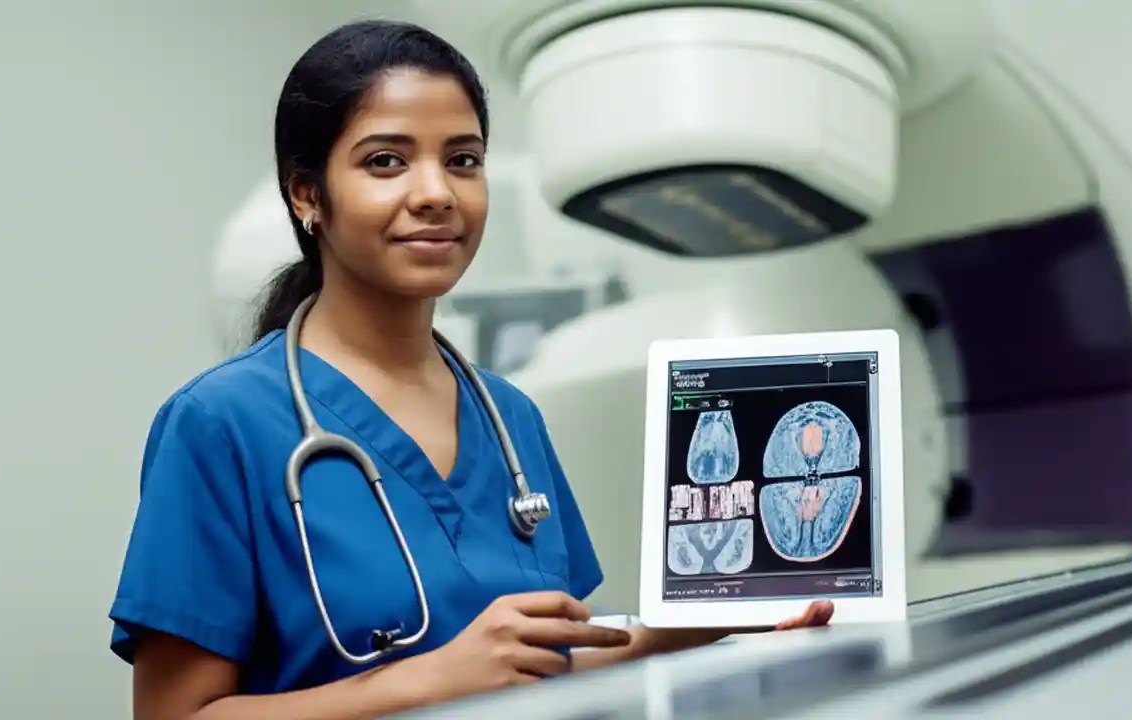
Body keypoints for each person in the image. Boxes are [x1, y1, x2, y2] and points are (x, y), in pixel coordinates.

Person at [108, 18, 833, 720]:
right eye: (385, 161)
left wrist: (714, 625)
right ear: (306, 194)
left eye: (463, 160)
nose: (436, 193)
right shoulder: (220, 423)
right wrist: (428, 682)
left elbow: (543, 660)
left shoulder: (509, 416)